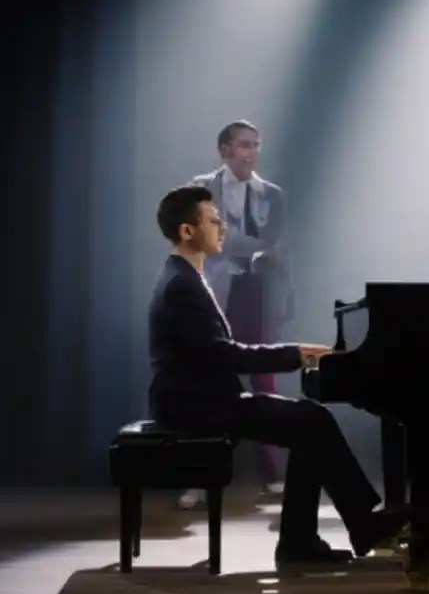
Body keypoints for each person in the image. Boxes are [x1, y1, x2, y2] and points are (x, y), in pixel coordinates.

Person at [148, 185, 405, 564]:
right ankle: (345, 529)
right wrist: (296, 354)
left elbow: (217, 355)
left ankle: (310, 539)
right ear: (188, 231)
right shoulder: (182, 285)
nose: (223, 229)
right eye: (215, 220)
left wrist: (294, 354)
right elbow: (226, 356)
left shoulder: (183, 277)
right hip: (193, 404)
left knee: (309, 423)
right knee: (311, 420)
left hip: (198, 397)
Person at [177, 120, 294, 509]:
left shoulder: (271, 194)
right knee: (206, 380)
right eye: (244, 145)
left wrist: (250, 249)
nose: (251, 152)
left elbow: (275, 248)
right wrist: (251, 247)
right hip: (214, 293)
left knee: (265, 380)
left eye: (256, 145)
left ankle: (272, 474)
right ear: (225, 150)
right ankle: (196, 477)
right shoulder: (202, 188)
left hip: (256, 294)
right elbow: (210, 241)